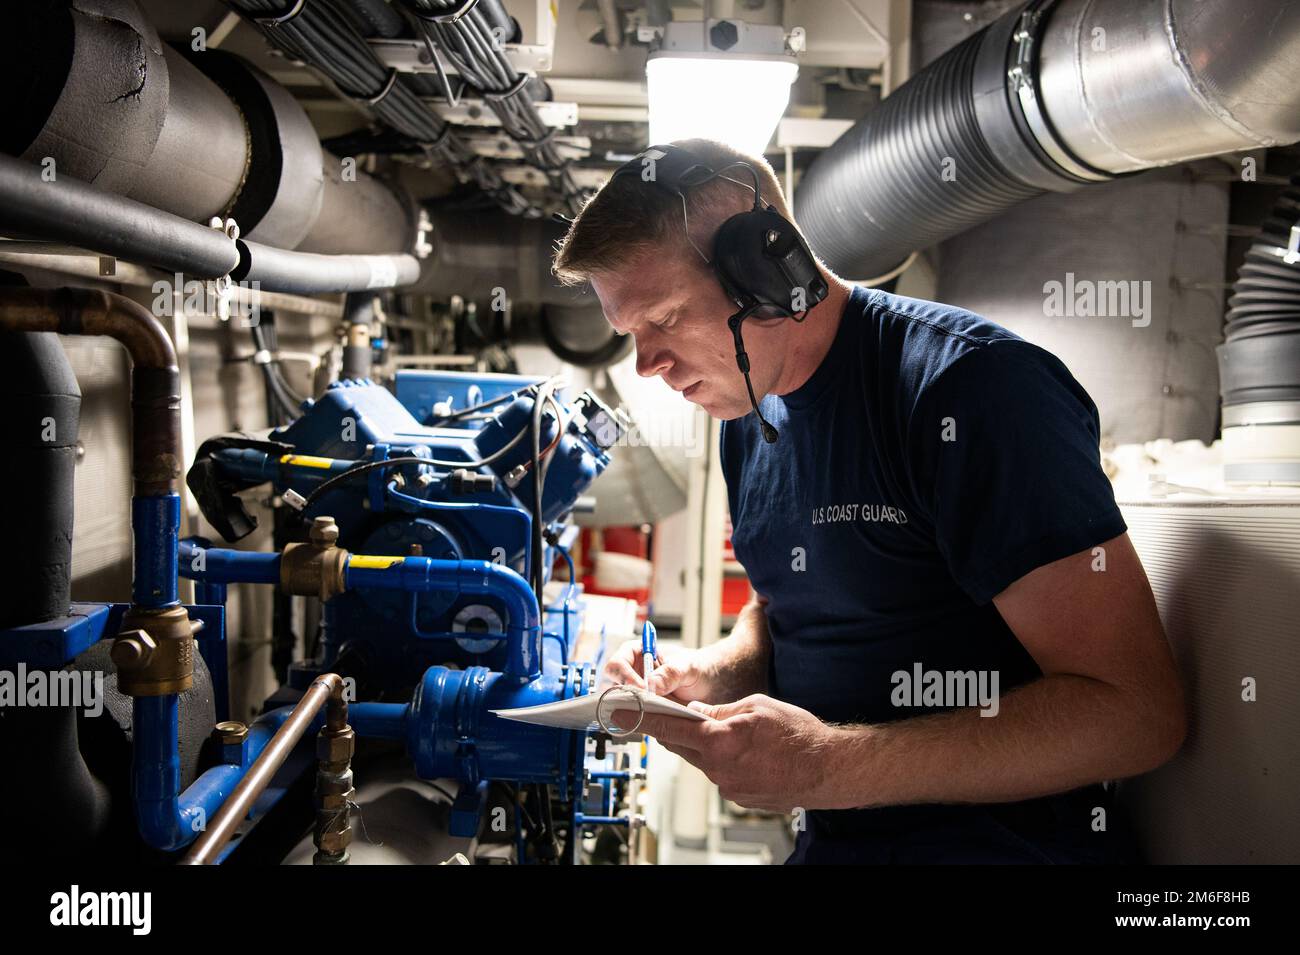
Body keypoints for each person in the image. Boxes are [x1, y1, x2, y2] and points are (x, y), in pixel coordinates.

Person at [552, 138, 1186, 863]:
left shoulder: (970, 393)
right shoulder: (749, 418)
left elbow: (1137, 713)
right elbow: (786, 609)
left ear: (766, 269)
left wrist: (826, 765)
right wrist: (712, 671)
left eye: (662, 318)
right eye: (630, 334)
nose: (647, 365)